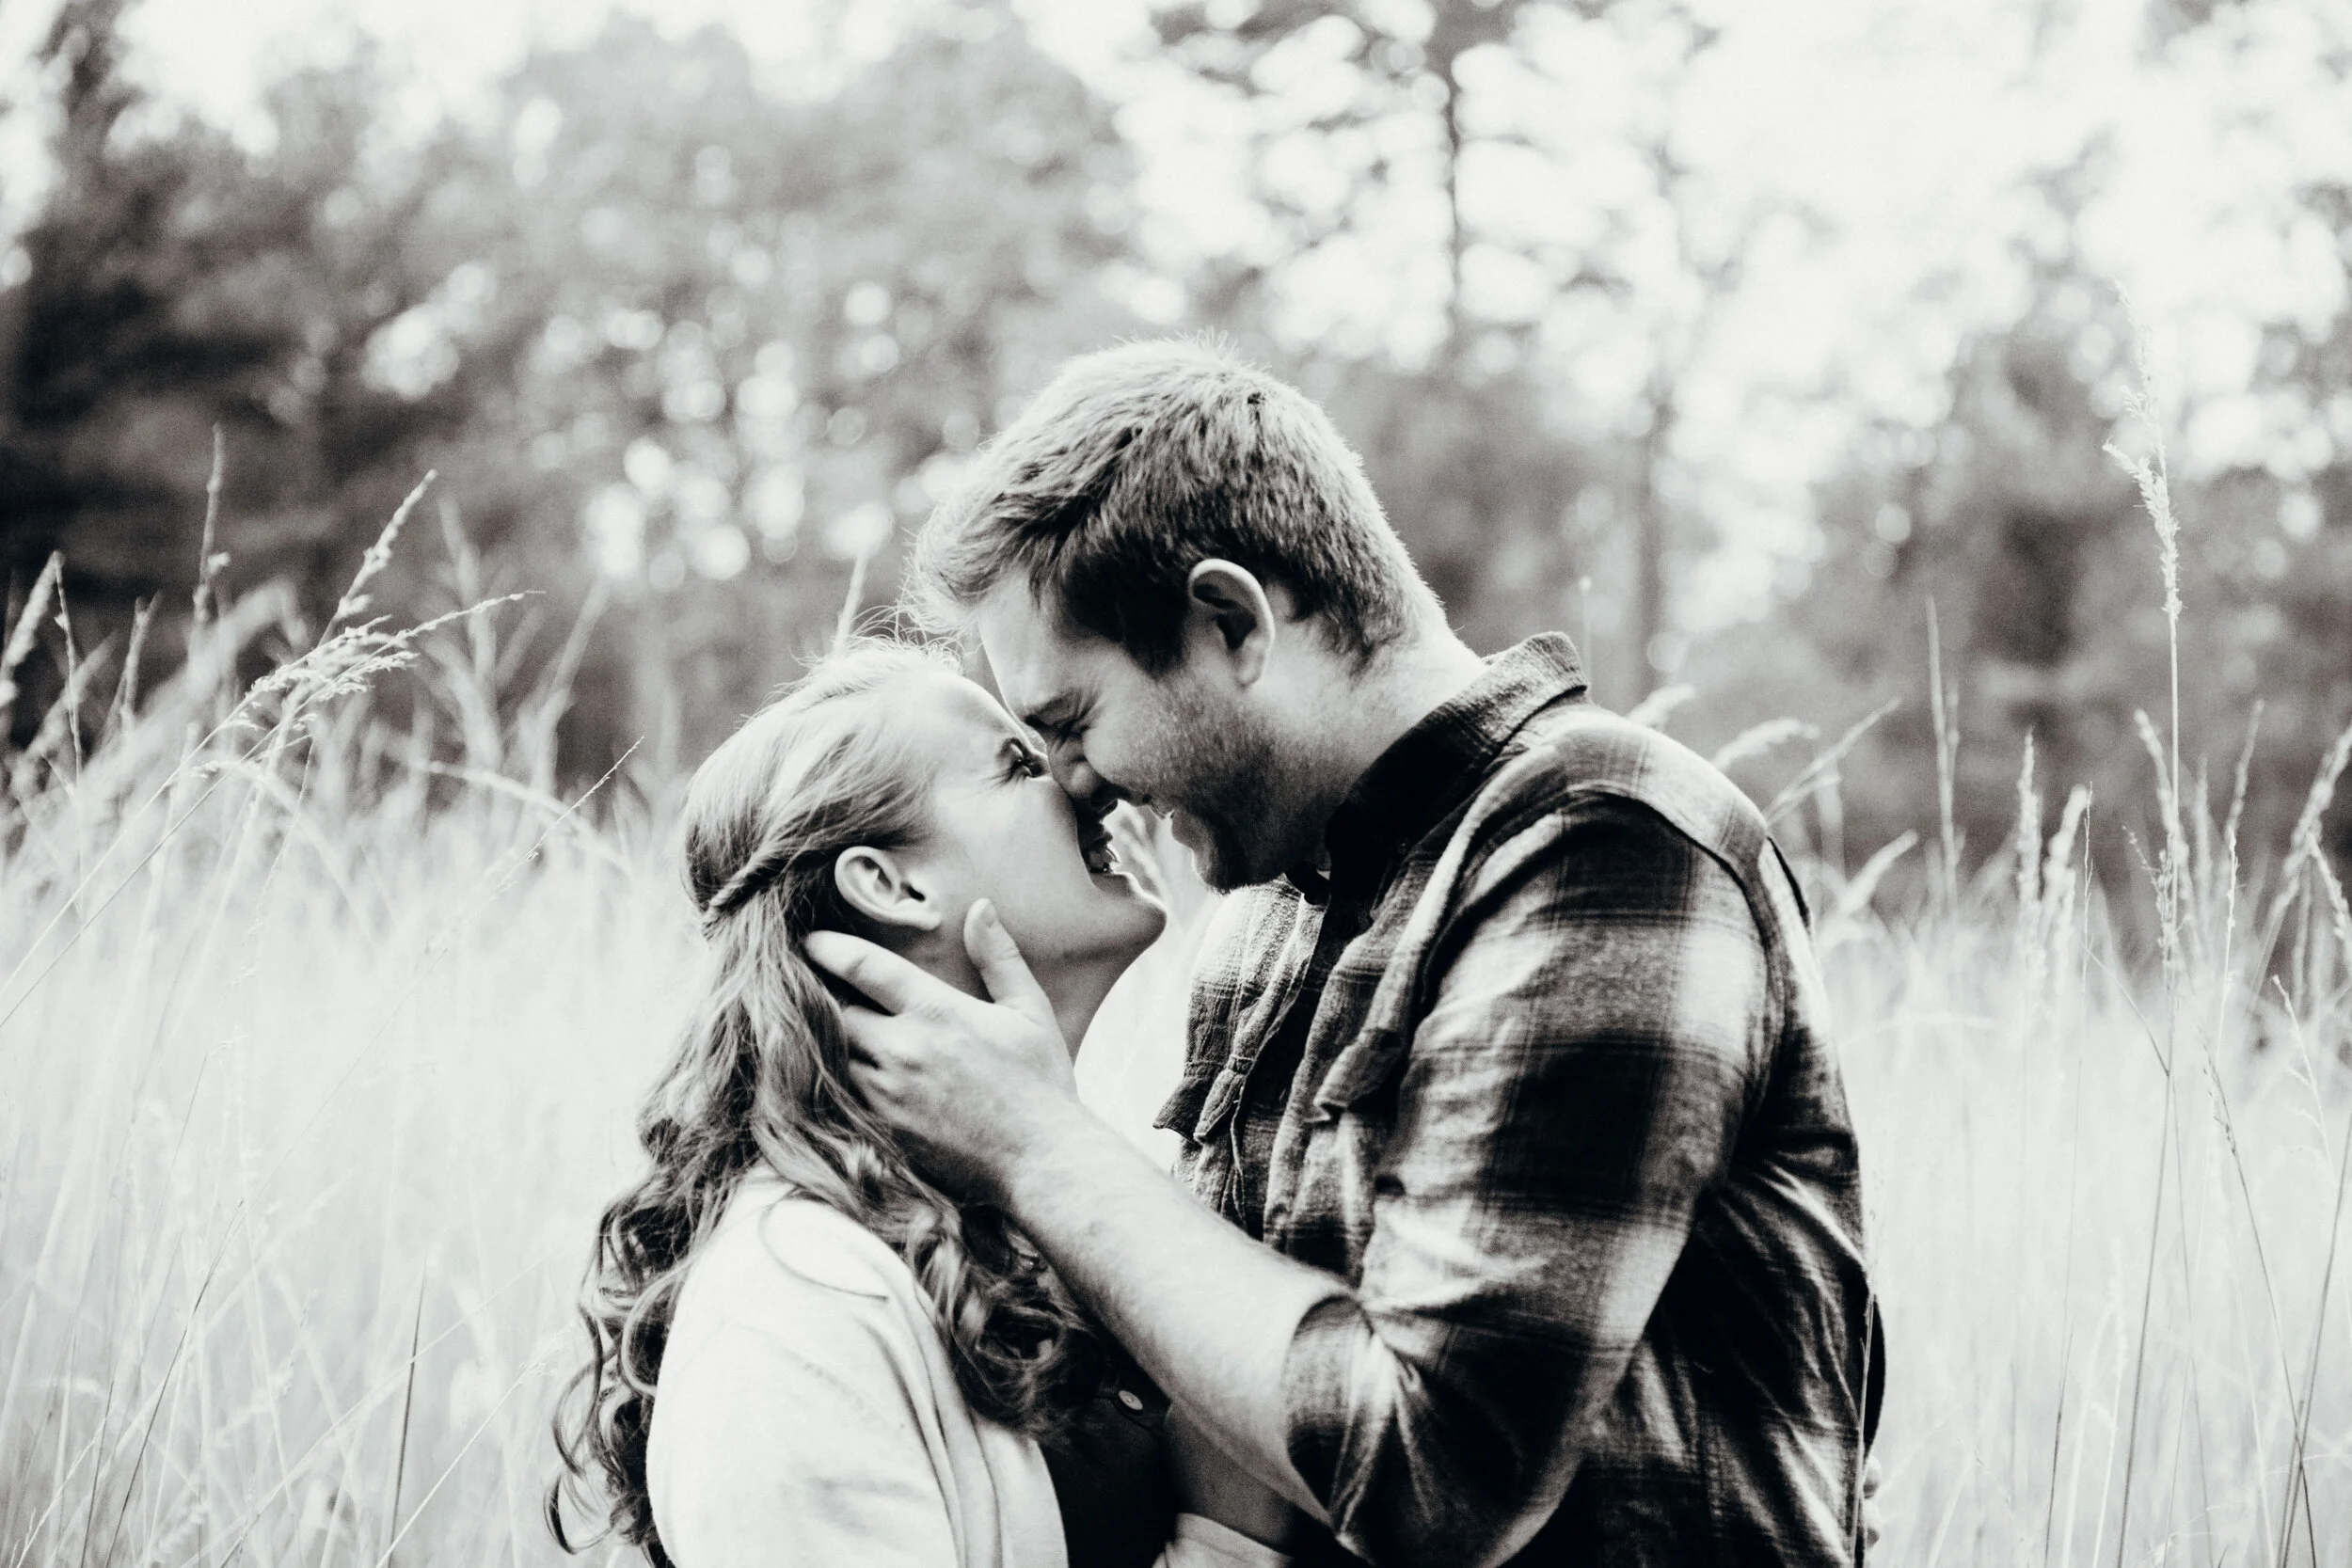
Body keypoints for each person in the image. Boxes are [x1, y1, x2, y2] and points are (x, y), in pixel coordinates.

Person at [805, 338, 1886, 1567]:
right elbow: (1225, 1384)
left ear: (1230, 621)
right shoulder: (1265, 917)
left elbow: (1446, 1473)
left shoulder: (1600, 840)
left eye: (1072, 721)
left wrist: (1035, 1145)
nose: (1075, 784)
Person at [548, 641, 1295, 1568]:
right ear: (890, 883)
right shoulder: (788, 1314)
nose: (1081, 775)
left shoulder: (1030, 1207)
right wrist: (1227, 1539)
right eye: (1018, 761)